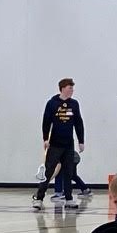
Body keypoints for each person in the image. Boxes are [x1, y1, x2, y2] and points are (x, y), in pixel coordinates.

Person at [37, 79, 85, 207]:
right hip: (55, 144)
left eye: (72, 88)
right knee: (49, 171)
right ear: (63, 88)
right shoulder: (52, 103)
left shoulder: (74, 104)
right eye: (70, 88)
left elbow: (78, 123)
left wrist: (81, 141)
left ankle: (69, 199)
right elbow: (46, 121)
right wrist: (45, 139)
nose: (72, 91)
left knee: (68, 172)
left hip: (68, 144)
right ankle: (39, 198)